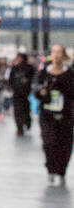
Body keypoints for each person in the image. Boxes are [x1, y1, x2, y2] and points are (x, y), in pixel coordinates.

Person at [34, 44, 74, 185]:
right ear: (51, 54)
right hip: (47, 115)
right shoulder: (44, 72)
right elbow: (36, 89)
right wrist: (41, 92)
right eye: (54, 52)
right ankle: (51, 169)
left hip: (65, 115)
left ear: (63, 55)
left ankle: (62, 171)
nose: (56, 55)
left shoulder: (69, 73)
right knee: (49, 143)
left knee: (65, 144)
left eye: (59, 52)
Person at [9, 52, 35, 136]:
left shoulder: (30, 68)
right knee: (17, 111)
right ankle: (20, 127)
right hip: (17, 93)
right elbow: (11, 80)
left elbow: (33, 79)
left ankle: (27, 123)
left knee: (25, 109)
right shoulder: (14, 68)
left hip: (26, 93)